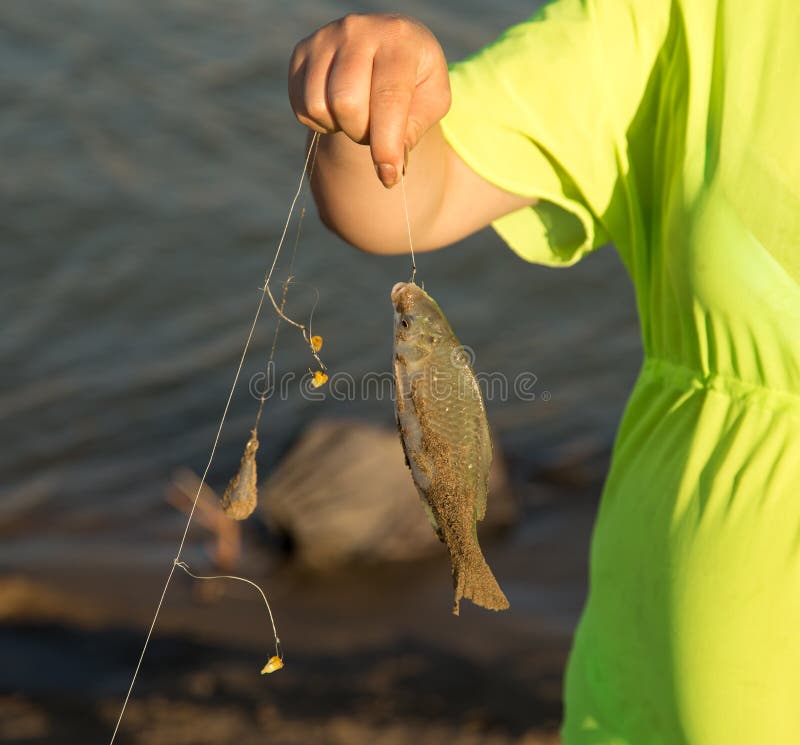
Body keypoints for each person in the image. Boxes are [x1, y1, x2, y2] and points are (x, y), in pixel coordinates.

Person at [288, 1, 800, 742]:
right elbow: (405, 200)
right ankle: (466, 551)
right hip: (655, 689)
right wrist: (365, 99)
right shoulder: (680, 20)